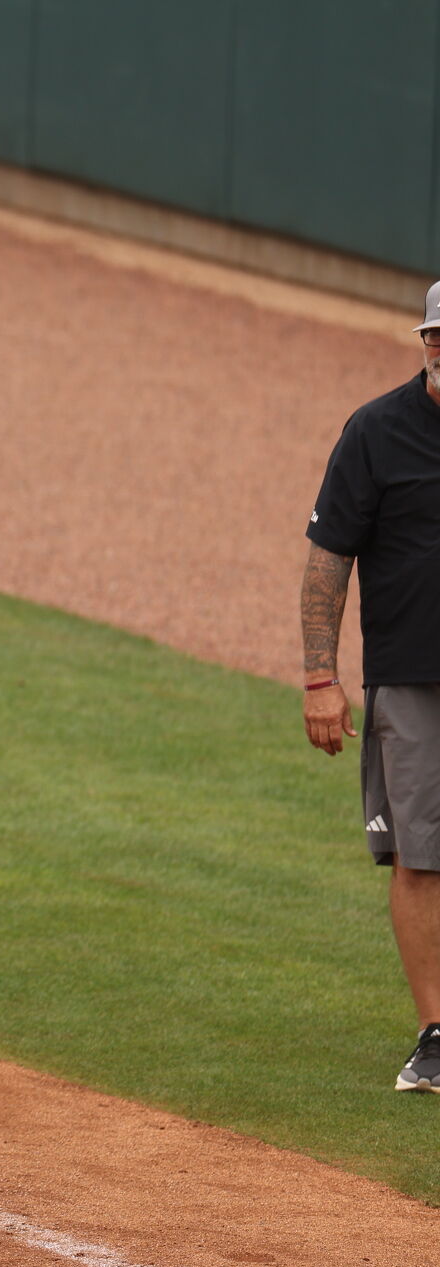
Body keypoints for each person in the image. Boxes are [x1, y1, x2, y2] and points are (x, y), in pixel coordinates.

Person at [302, 280, 440, 1095]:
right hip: (412, 679)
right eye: (438, 336)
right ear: (426, 342)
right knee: (421, 861)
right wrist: (321, 676)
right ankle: (435, 1033)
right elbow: (329, 559)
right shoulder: (375, 433)